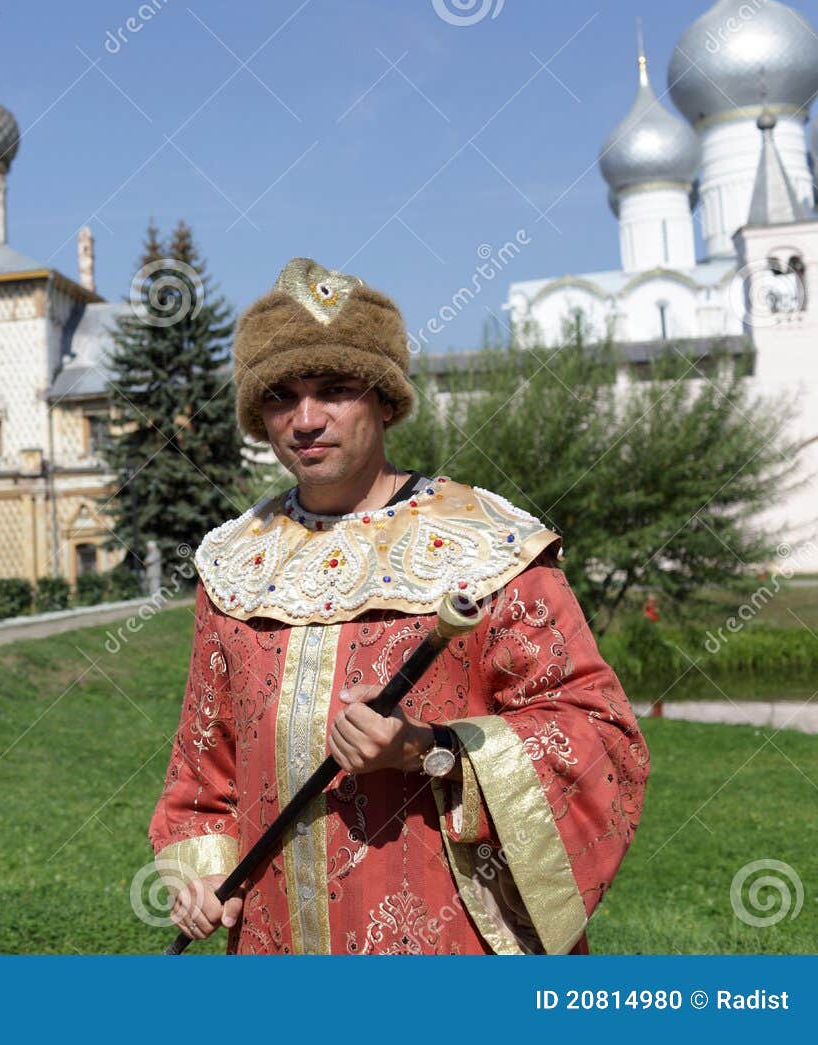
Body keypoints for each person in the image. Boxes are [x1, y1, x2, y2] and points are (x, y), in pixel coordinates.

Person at [147, 258, 649, 954]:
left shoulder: (488, 546)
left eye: (336, 388)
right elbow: (204, 771)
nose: (306, 419)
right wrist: (206, 877)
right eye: (281, 395)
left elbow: (597, 736)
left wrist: (428, 748)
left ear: (385, 399)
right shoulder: (234, 565)